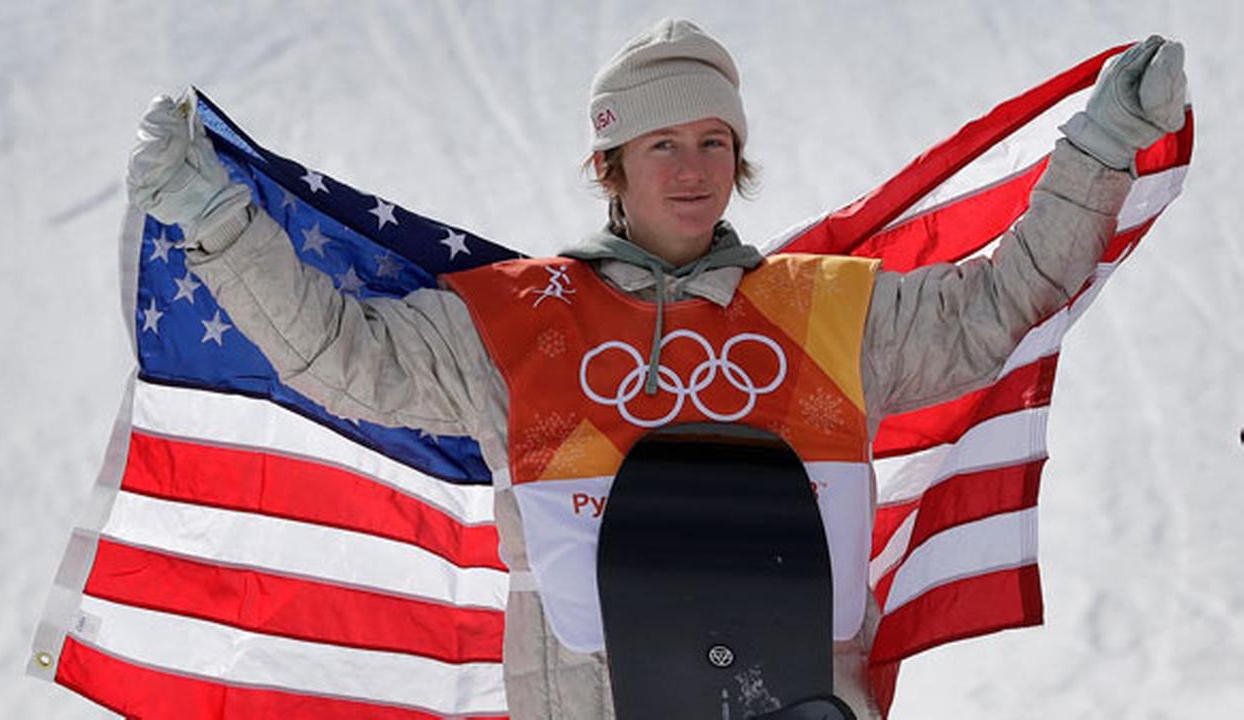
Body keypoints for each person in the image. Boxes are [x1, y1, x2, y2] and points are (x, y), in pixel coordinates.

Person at [126, 18, 1186, 720]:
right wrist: (221, 222)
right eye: (662, 145)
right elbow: (340, 360)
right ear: (610, 166)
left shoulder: (826, 308)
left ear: (739, 158)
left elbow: (998, 303)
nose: (691, 170)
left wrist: (1098, 148)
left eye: (712, 142)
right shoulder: (512, 319)